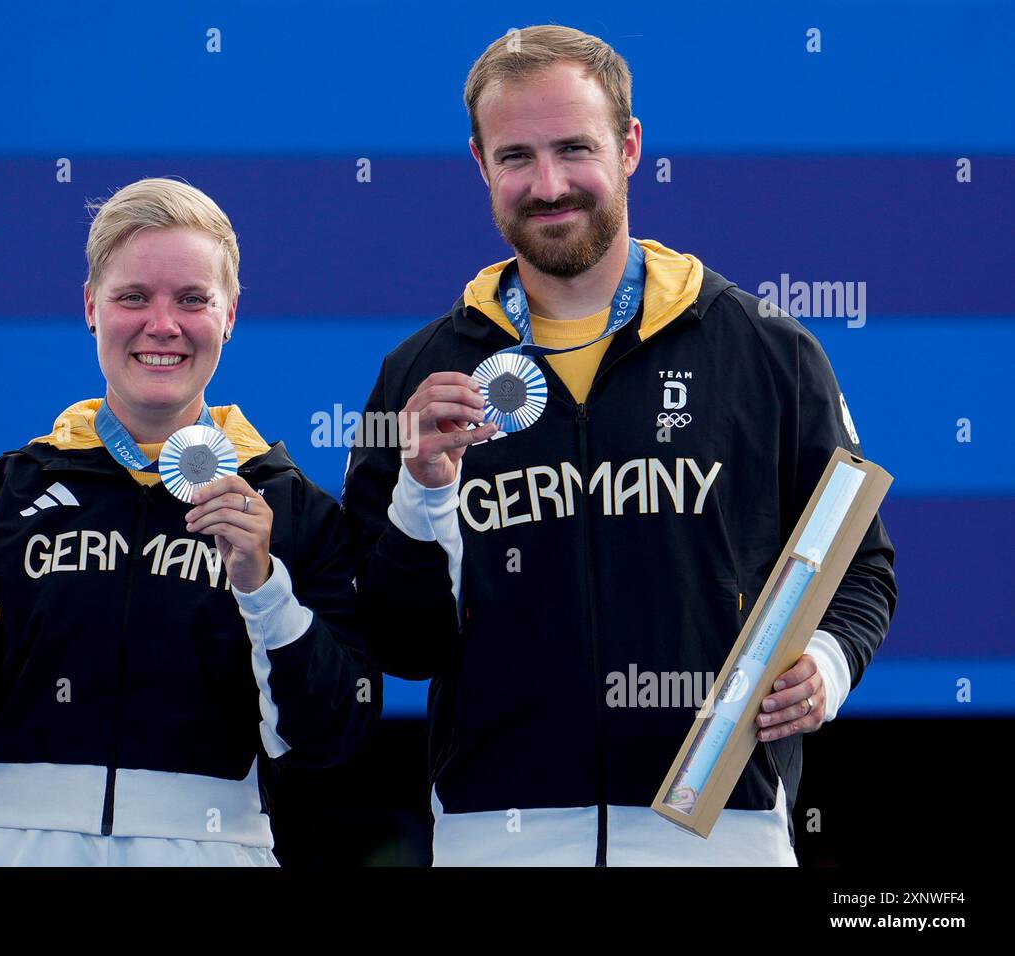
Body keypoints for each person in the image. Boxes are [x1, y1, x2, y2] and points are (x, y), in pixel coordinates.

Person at [342, 25, 896, 866]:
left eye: (575, 148)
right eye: (517, 156)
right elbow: (401, 645)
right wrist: (420, 490)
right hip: (499, 833)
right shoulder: (417, 378)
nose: (550, 184)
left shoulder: (767, 349)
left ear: (630, 146)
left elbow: (861, 563)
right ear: (480, 166)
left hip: (719, 828)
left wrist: (824, 663)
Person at [0, 177, 380, 866]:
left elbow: (326, 736)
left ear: (229, 314)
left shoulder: (291, 510)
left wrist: (263, 588)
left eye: (193, 299)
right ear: (90, 307)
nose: (161, 325)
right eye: (132, 297)